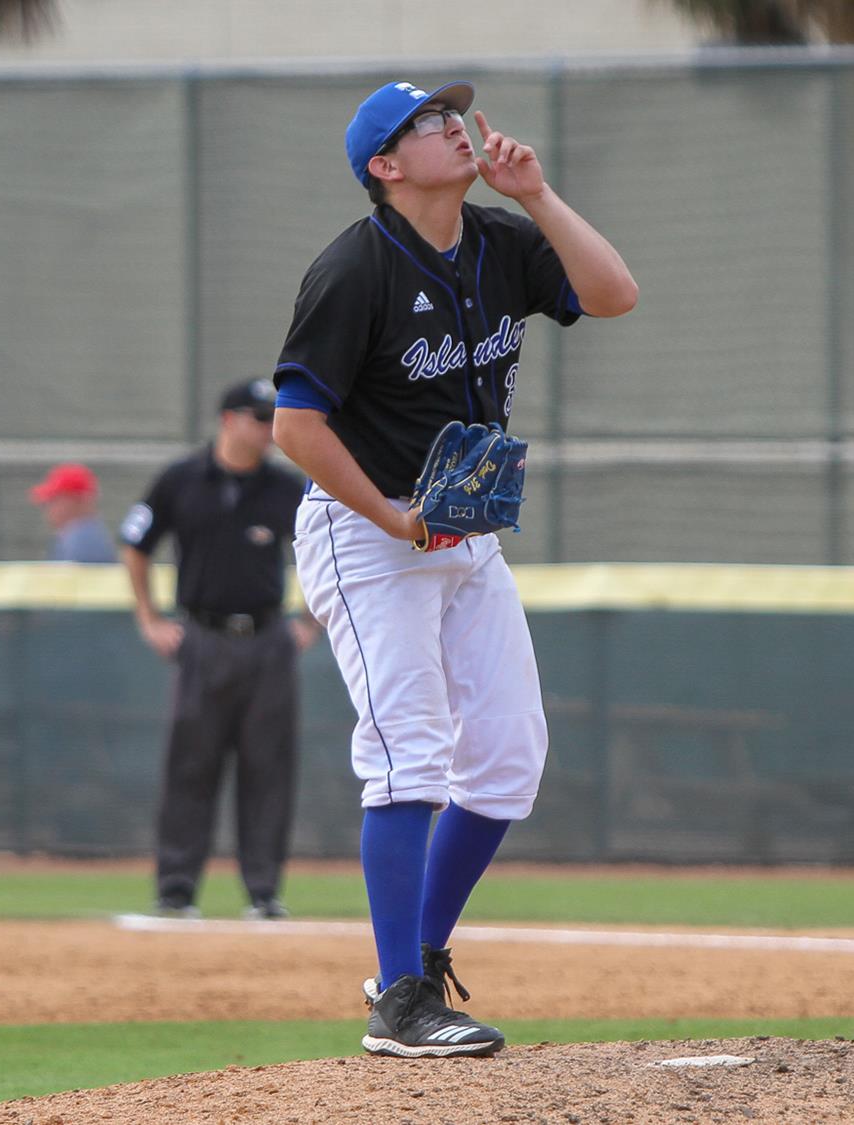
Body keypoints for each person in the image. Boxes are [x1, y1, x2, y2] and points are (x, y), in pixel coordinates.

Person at [269, 79, 636, 1058]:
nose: (453, 127)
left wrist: (537, 199)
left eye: (450, 114)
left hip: (467, 535)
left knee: (508, 760)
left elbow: (613, 294)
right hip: (366, 536)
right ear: (384, 167)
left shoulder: (498, 242)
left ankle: (418, 967)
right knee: (407, 757)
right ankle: (398, 1003)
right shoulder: (352, 272)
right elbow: (295, 427)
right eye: (426, 124)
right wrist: (387, 514)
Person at [120, 378, 319, 921]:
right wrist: (149, 618)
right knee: (191, 765)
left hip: (268, 641)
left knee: (268, 768)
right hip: (202, 639)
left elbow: (328, 548)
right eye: (259, 418)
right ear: (229, 420)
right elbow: (135, 543)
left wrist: (310, 622)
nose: (269, 429)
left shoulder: (285, 487)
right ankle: (177, 888)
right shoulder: (183, 479)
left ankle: (263, 891)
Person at [29, 463, 118, 563]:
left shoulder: (81, 540)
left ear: (76, 500)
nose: (48, 508)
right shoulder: (75, 536)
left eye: (54, 500)